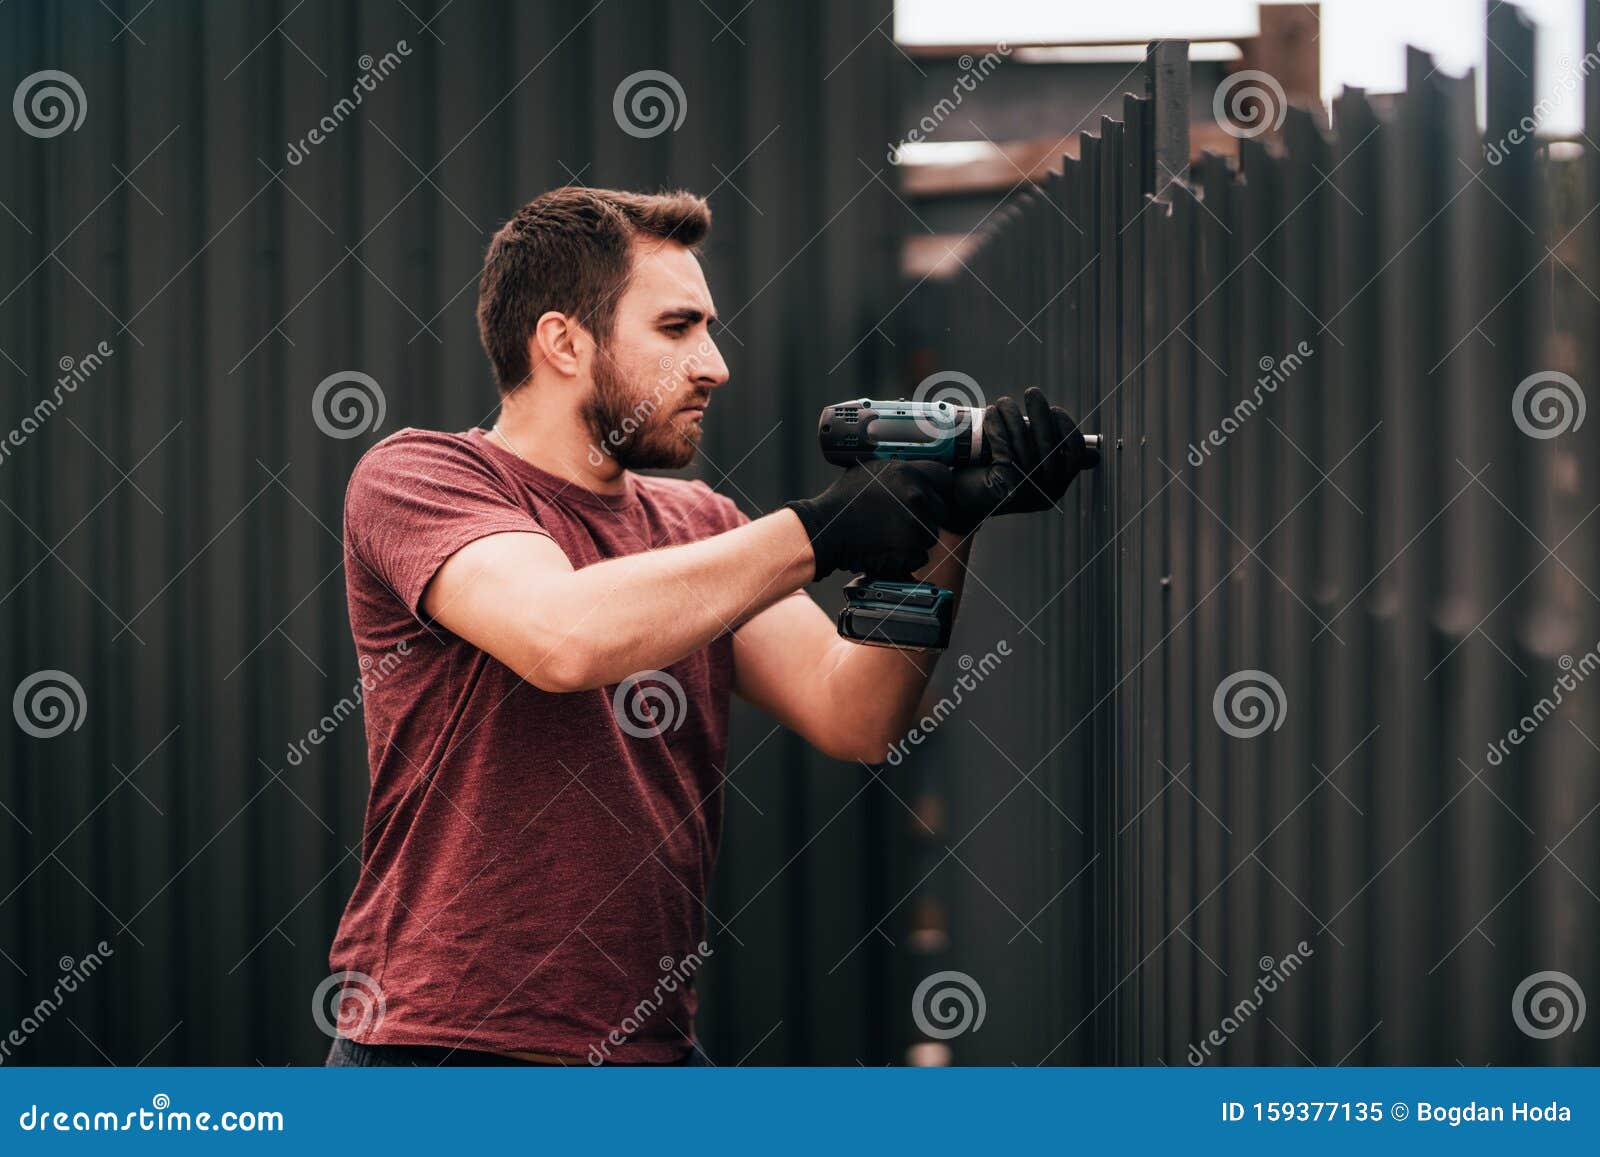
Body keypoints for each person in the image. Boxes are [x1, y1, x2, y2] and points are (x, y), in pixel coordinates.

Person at [324, 186, 1096, 1067]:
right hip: (448, 1050)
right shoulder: (422, 477)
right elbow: (559, 637)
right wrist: (816, 531)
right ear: (563, 342)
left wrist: (951, 526)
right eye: (678, 328)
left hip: (650, 1050)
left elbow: (856, 713)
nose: (715, 364)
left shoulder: (701, 524)